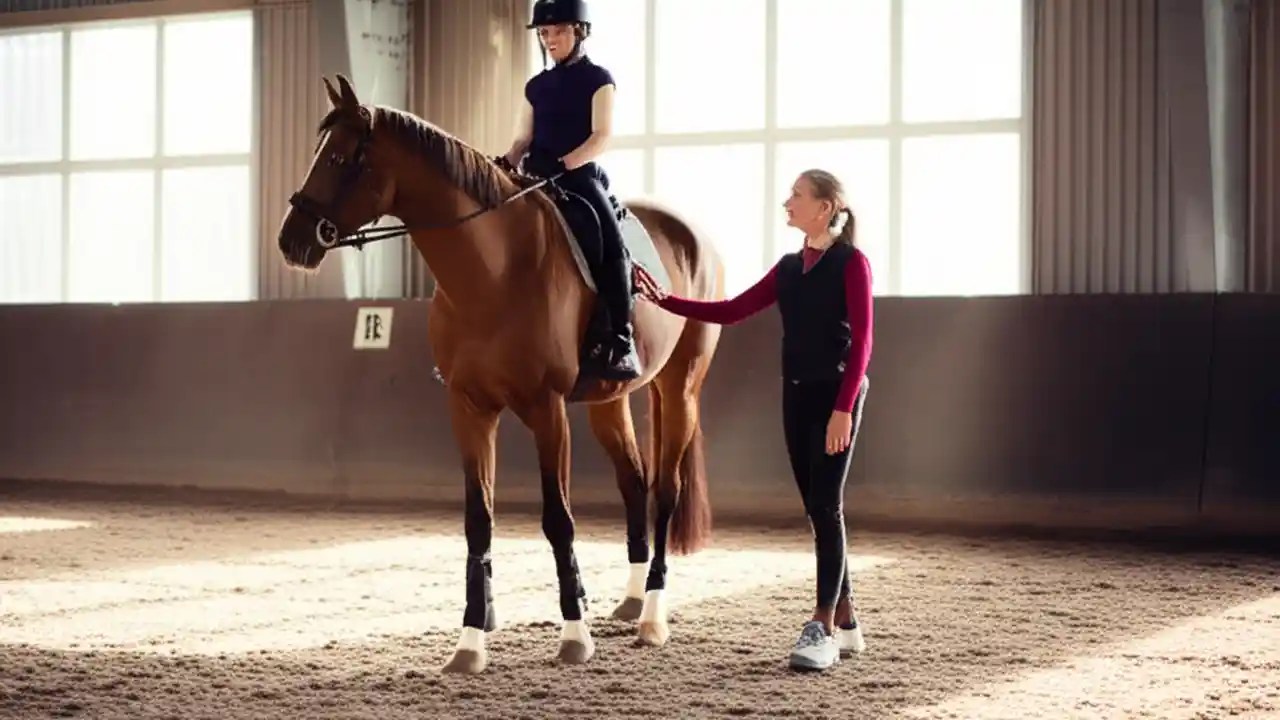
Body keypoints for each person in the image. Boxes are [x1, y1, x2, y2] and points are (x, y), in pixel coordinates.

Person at [633, 169, 873, 672]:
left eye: (797, 196)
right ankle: (848, 619)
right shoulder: (788, 268)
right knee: (818, 510)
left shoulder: (853, 264)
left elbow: (863, 346)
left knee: (827, 507)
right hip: (796, 396)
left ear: (825, 207)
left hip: (835, 397)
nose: (787, 202)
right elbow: (731, 309)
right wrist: (664, 300)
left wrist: (844, 409)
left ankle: (823, 627)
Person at [500, 0, 641, 381]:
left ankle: (620, 338)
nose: (550, 39)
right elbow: (523, 138)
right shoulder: (536, 86)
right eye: (545, 33)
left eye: (558, 31)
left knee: (608, 238)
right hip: (535, 175)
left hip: (579, 175)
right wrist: (506, 161)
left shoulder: (599, 79)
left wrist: (564, 165)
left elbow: (601, 136)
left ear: (579, 32)